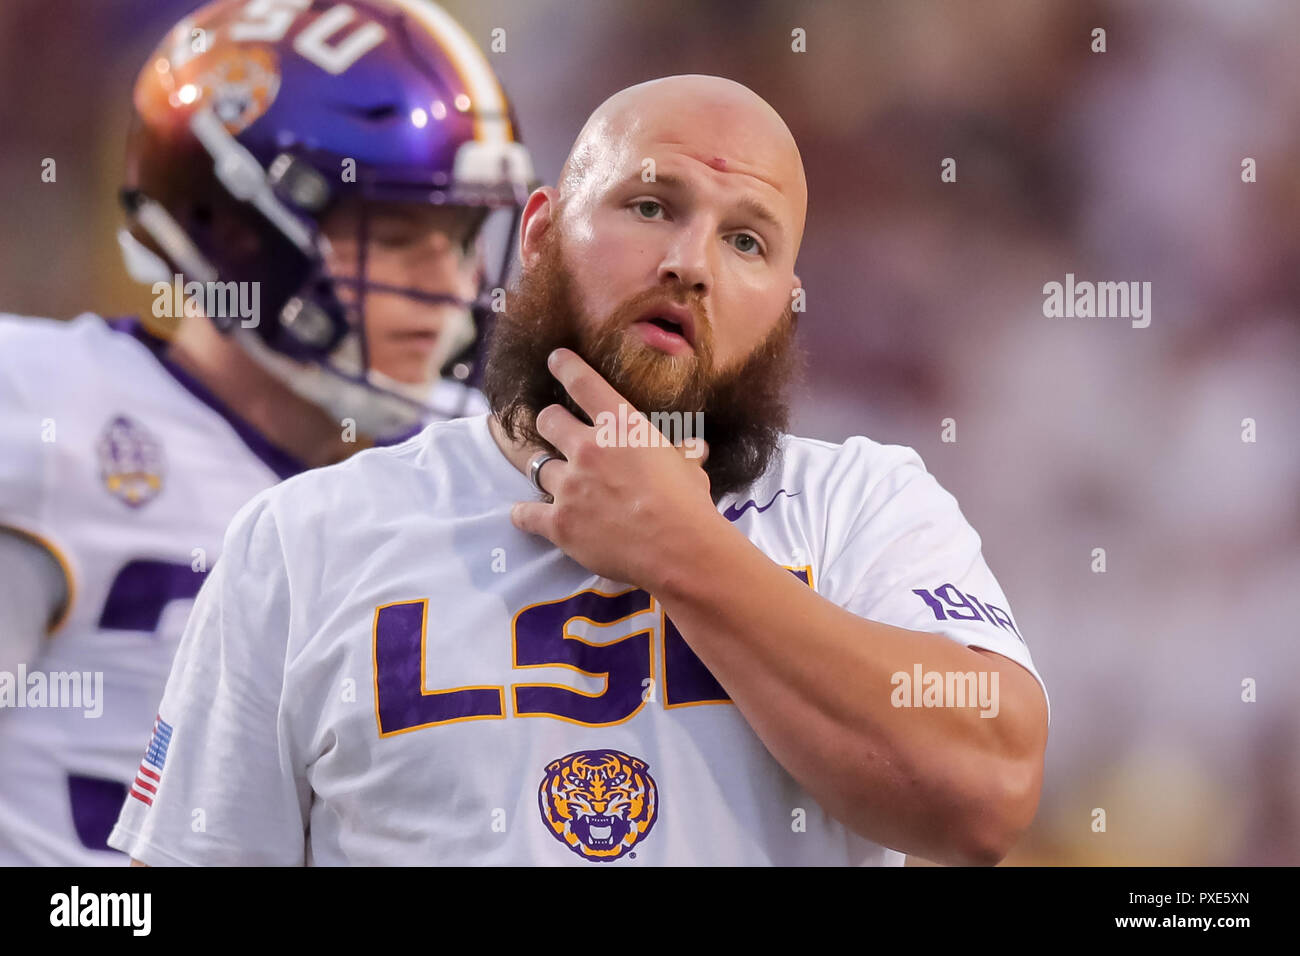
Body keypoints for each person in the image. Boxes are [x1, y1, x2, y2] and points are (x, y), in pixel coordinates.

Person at [110, 74, 1049, 867]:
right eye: (650, 206)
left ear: (787, 307)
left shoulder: (861, 506)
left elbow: (986, 794)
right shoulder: (305, 539)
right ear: (539, 235)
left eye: (747, 240)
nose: (690, 264)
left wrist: (684, 552)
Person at [0, 0, 535, 864]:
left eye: (462, 235)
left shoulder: (475, 475)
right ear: (237, 232)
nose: (450, 284)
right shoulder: (44, 415)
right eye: (398, 236)